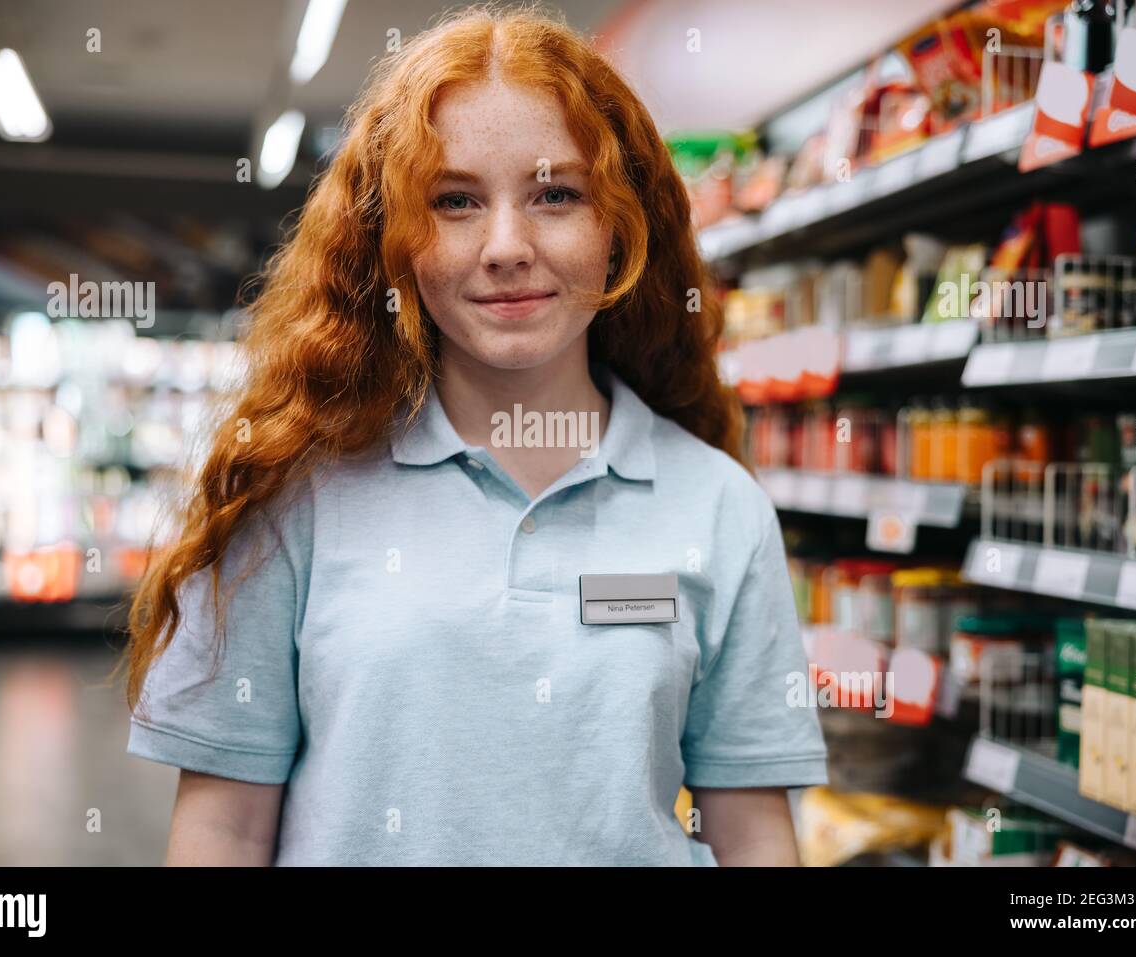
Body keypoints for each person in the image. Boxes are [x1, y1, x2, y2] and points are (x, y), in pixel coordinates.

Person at [120, 4, 826, 866]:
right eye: (454, 201)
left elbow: (752, 833)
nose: (506, 246)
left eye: (555, 194)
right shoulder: (296, 493)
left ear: (621, 226)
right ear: (394, 241)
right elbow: (222, 831)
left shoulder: (718, 508)